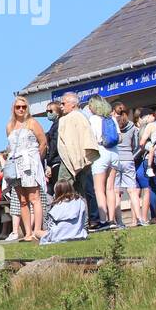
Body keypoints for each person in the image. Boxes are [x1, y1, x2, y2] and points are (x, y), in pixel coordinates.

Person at [56, 92, 101, 229]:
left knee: (62, 189)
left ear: (73, 104)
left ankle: (65, 223)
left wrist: (74, 163)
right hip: (81, 161)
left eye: (63, 103)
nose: (61, 106)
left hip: (71, 161)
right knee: (79, 192)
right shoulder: (82, 117)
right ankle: (81, 222)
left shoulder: (69, 118)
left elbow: (71, 143)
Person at [6, 96, 48, 241]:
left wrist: (37, 160)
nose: (21, 109)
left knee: (34, 197)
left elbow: (43, 142)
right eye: (18, 107)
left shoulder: (32, 123)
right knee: (22, 199)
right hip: (16, 165)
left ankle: (37, 229)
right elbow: (10, 147)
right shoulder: (10, 126)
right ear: (14, 109)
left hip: (29, 163)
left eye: (24, 107)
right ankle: (28, 232)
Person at [86, 95, 117, 228]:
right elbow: (119, 138)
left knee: (99, 189)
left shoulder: (92, 119)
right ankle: (112, 219)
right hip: (114, 153)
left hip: (100, 153)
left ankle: (103, 221)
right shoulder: (111, 119)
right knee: (110, 188)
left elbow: (90, 138)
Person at [109, 102, 141, 227]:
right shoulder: (132, 125)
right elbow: (137, 145)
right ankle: (139, 219)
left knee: (116, 192)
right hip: (129, 159)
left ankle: (120, 222)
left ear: (113, 111)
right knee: (133, 191)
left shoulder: (111, 124)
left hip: (116, 159)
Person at [40, 179, 88, 245]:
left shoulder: (56, 206)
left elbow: (49, 227)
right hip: (77, 234)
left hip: (58, 236)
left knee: (36, 233)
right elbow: (84, 221)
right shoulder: (80, 202)